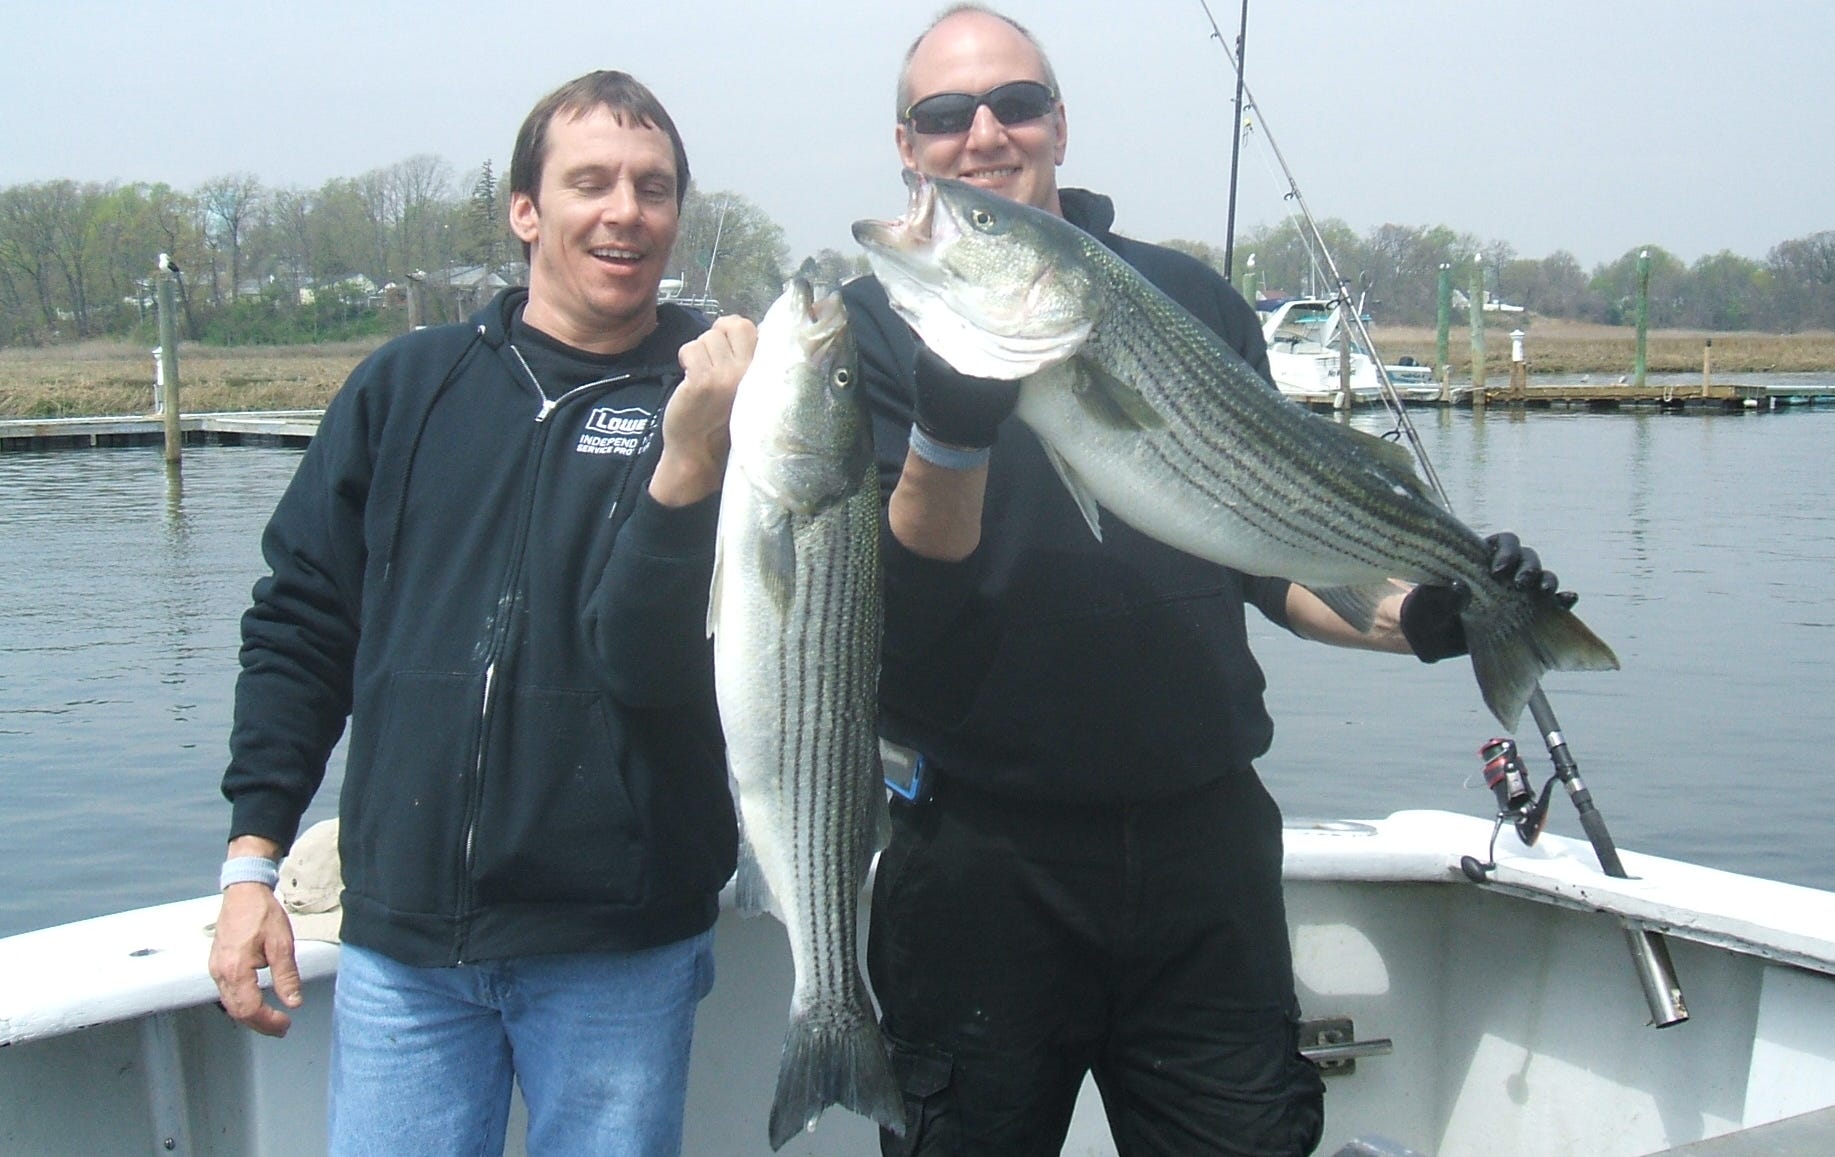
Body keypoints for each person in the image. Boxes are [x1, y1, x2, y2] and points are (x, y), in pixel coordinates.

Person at [842, 7, 1572, 1155]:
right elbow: (907, 590)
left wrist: (1425, 614)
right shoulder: (867, 327)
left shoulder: (1191, 297)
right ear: (905, 145)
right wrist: (951, 428)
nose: (983, 135)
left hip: (1201, 849)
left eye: (1015, 105)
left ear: (1059, 125)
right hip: (979, 853)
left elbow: (1272, 556)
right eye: (944, 115)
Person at [206, 70, 757, 1156]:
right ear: (524, 210)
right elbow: (301, 626)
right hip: (404, 945)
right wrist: (249, 863)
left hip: (619, 940)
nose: (625, 211)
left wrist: (708, 442)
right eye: (590, 182)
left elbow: (694, 656)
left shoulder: (728, 402)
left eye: (652, 188)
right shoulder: (406, 386)